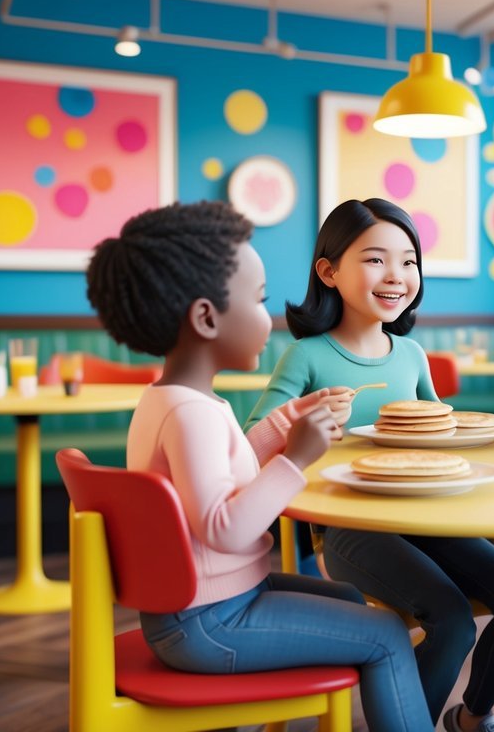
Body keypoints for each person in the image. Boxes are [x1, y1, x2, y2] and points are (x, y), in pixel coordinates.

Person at [85, 200, 433, 732]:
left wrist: (287, 419)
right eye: (259, 300)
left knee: (345, 597)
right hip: (209, 622)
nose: (270, 318)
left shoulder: (174, 400)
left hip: (207, 605)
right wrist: (296, 458)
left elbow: (229, 472)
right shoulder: (192, 414)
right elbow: (226, 528)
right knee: (386, 634)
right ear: (206, 317)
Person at [245, 198, 494, 732]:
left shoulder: (411, 356)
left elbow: (440, 432)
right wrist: (304, 418)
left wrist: (473, 436)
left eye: (409, 261)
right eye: (376, 259)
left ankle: (473, 716)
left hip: (427, 518)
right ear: (329, 271)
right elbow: (252, 443)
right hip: (348, 527)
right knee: (451, 620)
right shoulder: (306, 356)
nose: (397, 276)